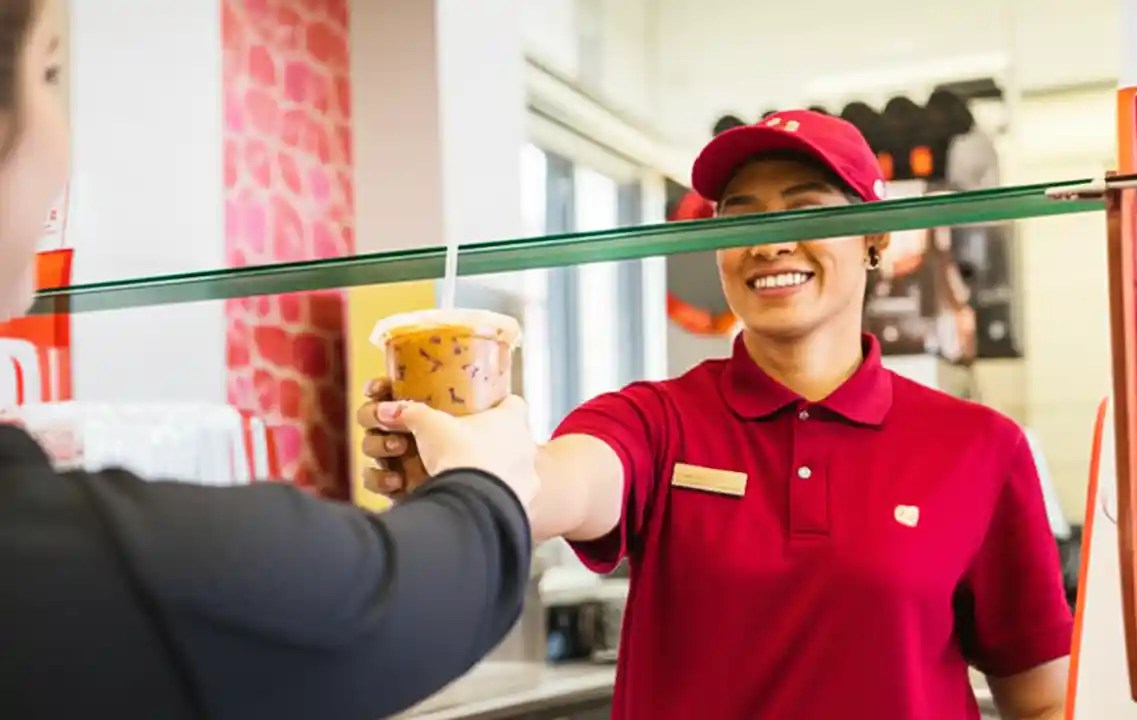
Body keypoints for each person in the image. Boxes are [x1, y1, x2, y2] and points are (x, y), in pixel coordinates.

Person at [363, 110, 1073, 719]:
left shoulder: (979, 446)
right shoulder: (657, 420)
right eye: (742, 218)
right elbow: (557, 483)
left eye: (805, 208)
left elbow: (1041, 697)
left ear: (876, 238)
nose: (769, 242)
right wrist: (478, 467)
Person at [0, 2, 539, 718]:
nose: (62, 133)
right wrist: (489, 484)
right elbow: (385, 603)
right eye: (48, 73)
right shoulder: (82, 560)